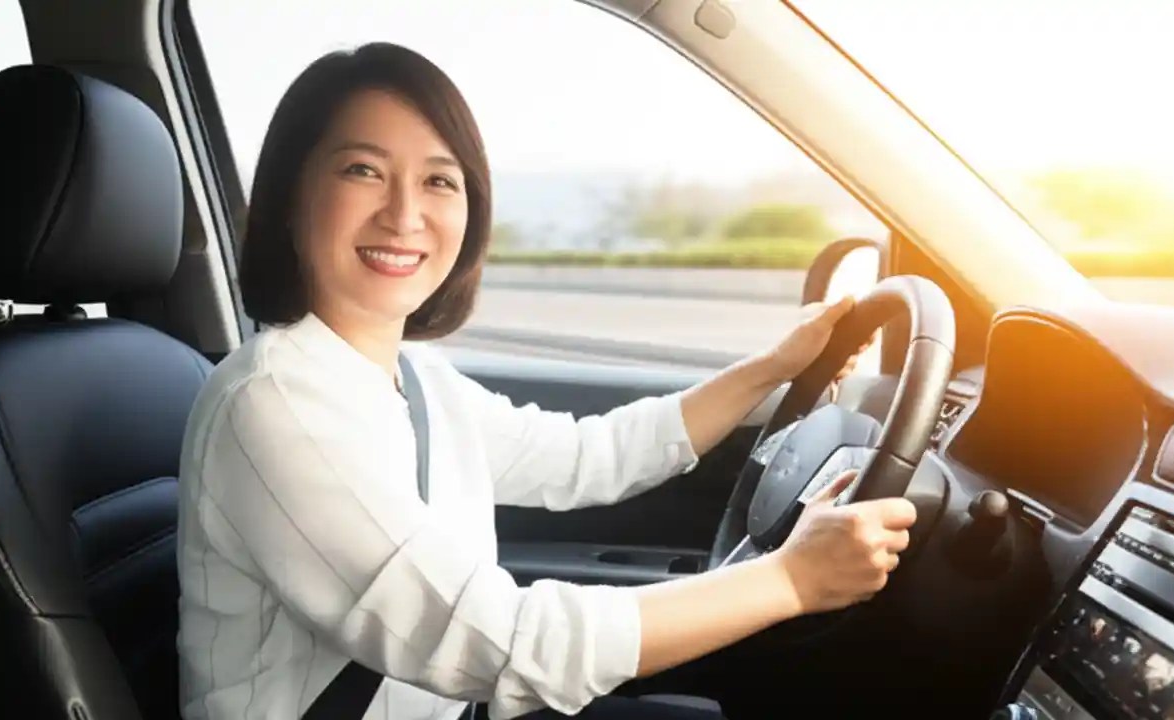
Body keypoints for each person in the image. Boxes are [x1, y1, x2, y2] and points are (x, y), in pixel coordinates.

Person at [176, 42, 916, 720]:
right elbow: (490, 641)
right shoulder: (273, 403)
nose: (405, 213)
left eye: (440, 180)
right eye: (362, 170)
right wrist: (789, 581)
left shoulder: (414, 380)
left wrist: (773, 369)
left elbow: (588, 455)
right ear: (287, 201)